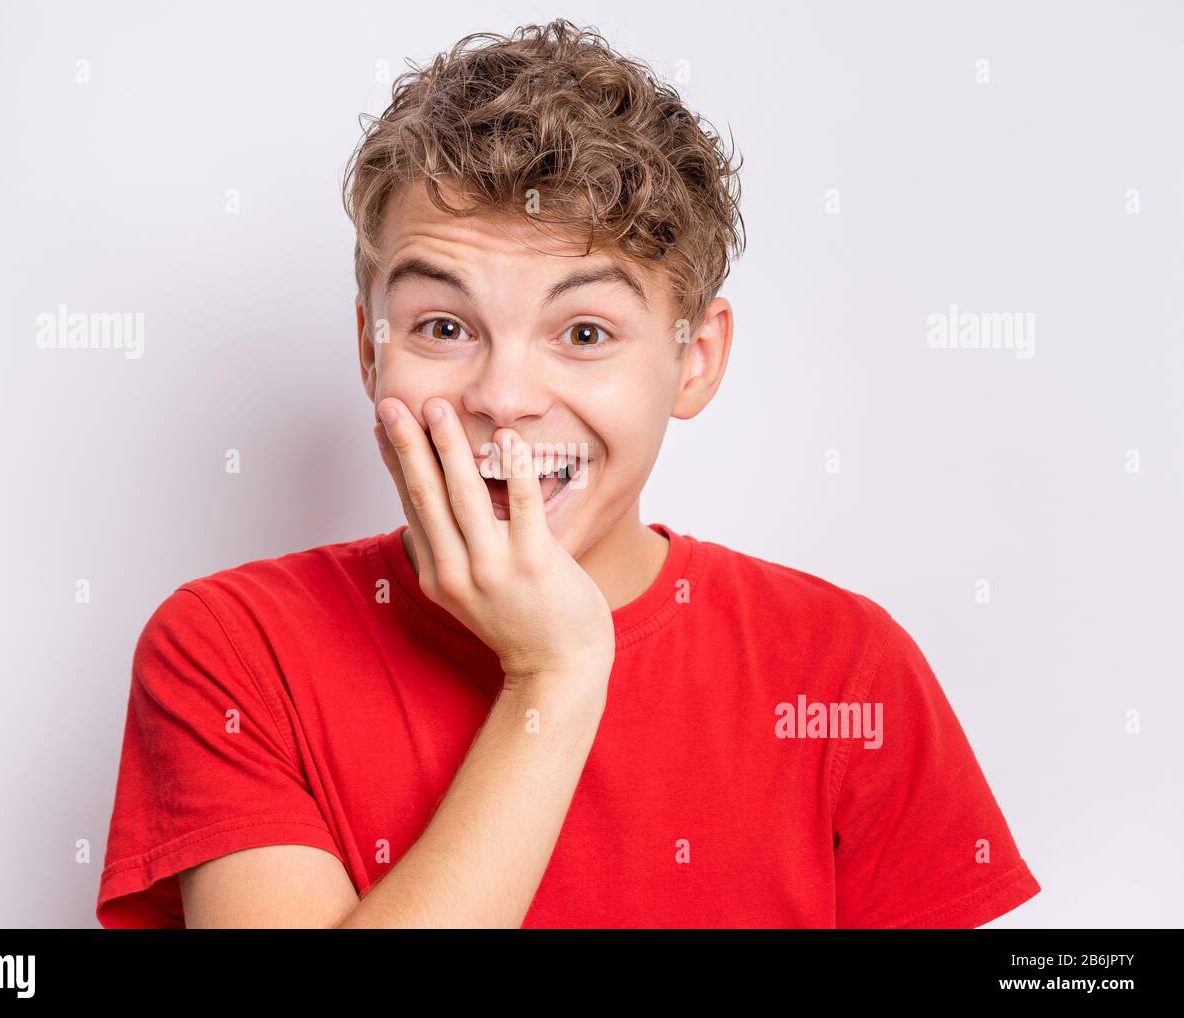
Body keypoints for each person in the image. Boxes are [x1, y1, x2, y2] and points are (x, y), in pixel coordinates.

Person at [96, 19, 1040, 928]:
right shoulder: (232, 653)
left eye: (584, 333)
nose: (504, 398)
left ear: (696, 360)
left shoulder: (842, 673)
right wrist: (552, 675)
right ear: (368, 346)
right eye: (443, 327)